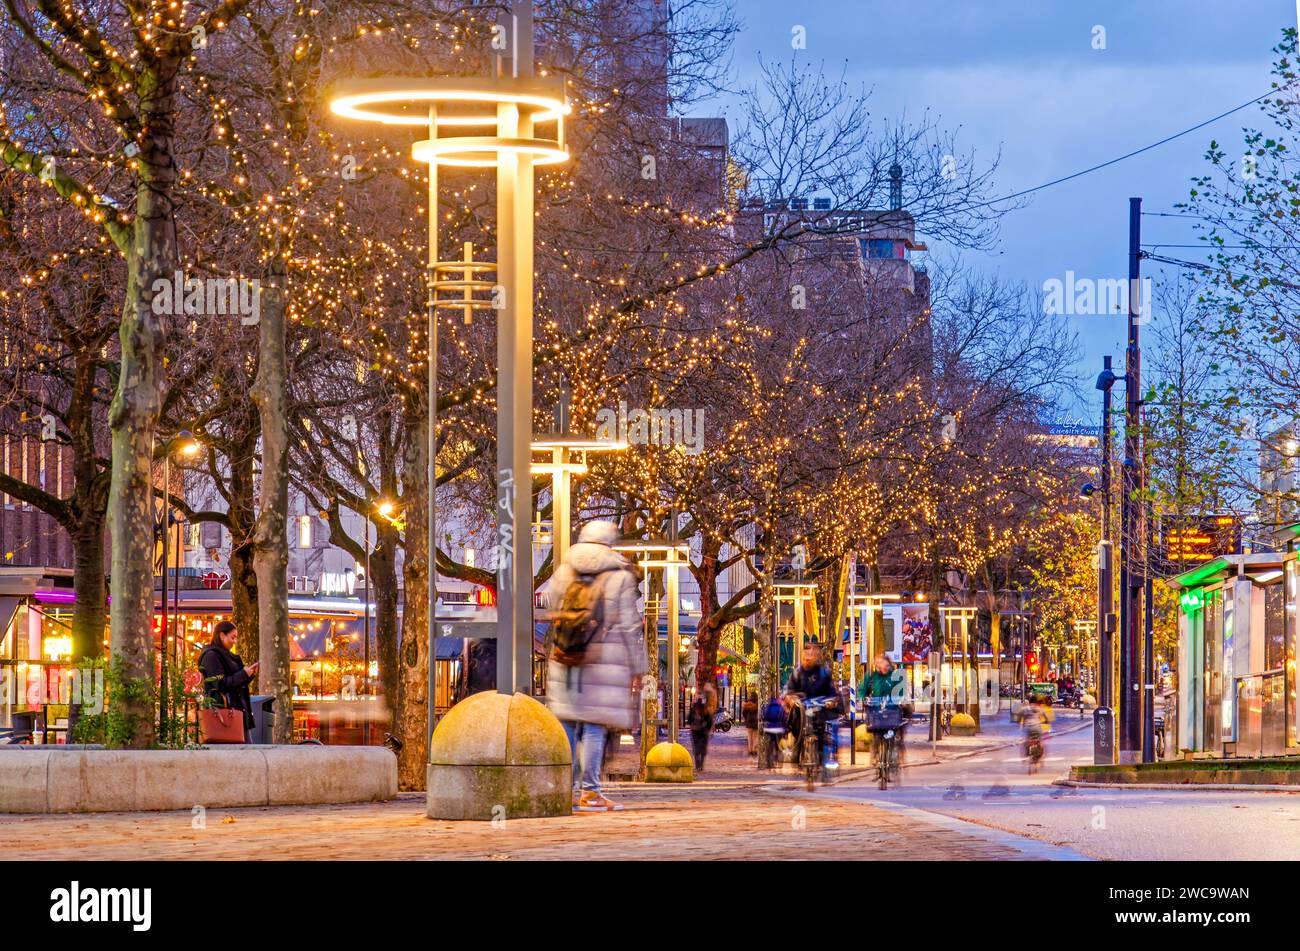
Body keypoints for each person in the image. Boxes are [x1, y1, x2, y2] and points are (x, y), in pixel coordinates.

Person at [546, 520, 647, 812]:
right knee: (593, 726)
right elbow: (629, 625)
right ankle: (590, 793)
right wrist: (638, 665)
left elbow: (552, 606)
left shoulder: (565, 568)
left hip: (565, 658)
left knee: (565, 722)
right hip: (602, 661)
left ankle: (560, 788)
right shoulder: (619, 574)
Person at [198, 621, 257, 742]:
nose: (235, 641)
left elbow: (237, 683)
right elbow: (220, 683)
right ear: (221, 635)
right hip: (224, 714)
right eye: (233, 637)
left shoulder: (230, 656)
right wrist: (243, 674)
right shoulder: (211, 656)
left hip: (238, 712)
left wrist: (249, 675)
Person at [782, 641, 839, 767]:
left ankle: (820, 755)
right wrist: (790, 698)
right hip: (802, 709)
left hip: (819, 708)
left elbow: (831, 691)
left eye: (811, 656)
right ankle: (797, 749)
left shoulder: (823, 673)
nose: (808, 659)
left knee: (823, 729)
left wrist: (831, 701)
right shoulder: (797, 673)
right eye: (806, 657)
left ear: (816, 657)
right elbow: (789, 689)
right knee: (796, 724)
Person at [858, 653, 908, 763]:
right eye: (877, 663)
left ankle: (896, 749)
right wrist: (863, 698)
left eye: (881, 662)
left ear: (888, 662)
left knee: (896, 728)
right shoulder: (872, 677)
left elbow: (901, 691)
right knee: (876, 733)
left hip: (892, 710)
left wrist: (901, 700)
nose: (879, 665)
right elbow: (862, 689)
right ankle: (875, 753)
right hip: (877, 711)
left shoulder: (895, 676)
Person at [687, 692, 712, 771]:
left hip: (695, 730)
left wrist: (691, 725)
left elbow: (689, 719)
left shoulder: (693, 709)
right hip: (703, 731)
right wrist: (708, 729)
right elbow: (710, 721)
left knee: (696, 747)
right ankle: (701, 765)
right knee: (703, 748)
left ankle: (697, 765)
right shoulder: (705, 709)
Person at [741, 691, 760, 756]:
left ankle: (750, 749)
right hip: (755, 721)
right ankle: (754, 749)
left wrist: (746, 718)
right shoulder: (758, 703)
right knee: (755, 736)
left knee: (749, 736)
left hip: (749, 721)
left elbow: (744, 713)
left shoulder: (747, 704)